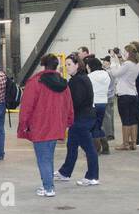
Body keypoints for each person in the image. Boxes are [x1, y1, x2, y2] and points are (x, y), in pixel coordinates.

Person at [16, 55, 74, 197]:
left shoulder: (35, 82)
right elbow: (69, 105)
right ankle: (48, 184)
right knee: (48, 156)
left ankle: (48, 187)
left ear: (43, 65)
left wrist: (23, 125)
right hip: (56, 126)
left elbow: (26, 107)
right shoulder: (63, 83)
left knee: (43, 158)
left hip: (40, 126)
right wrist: (68, 122)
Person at [57, 54, 99, 186]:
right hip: (80, 118)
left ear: (77, 65)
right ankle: (65, 172)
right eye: (66, 64)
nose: (67, 67)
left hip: (82, 119)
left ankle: (92, 176)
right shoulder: (78, 78)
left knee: (89, 148)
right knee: (72, 146)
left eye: (69, 64)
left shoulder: (78, 80)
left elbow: (76, 101)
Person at [109, 45, 139, 150]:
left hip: (124, 95)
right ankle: (134, 143)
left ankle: (125, 143)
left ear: (129, 53)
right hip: (133, 94)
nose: (123, 53)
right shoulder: (137, 64)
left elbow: (115, 73)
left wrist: (112, 60)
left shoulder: (127, 64)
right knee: (133, 120)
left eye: (125, 52)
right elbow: (124, 66)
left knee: (125, 120)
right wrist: (118, 57)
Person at [85, 55, 112, 154]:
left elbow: (87, 90)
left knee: (94, 126)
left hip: (93, 103)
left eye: (87, 66)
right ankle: (105, 147)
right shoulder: (106, 74)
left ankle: (96, 149)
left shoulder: (90, 76)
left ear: (91, 66)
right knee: (99, 125)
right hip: (103, 102)